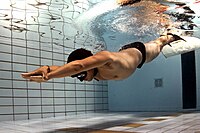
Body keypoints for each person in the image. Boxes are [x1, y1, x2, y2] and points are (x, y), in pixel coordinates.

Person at [21, 33, 185, 83]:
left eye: (82, 75)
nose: (82, 79)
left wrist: (48, 77)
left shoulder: (104, 58)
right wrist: (47, 69)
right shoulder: (89, 71)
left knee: (159, 44)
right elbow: (72, 69)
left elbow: (78, 67)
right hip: (126, 56)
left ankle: (169, 35)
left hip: (139, 52)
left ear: (89, 65)